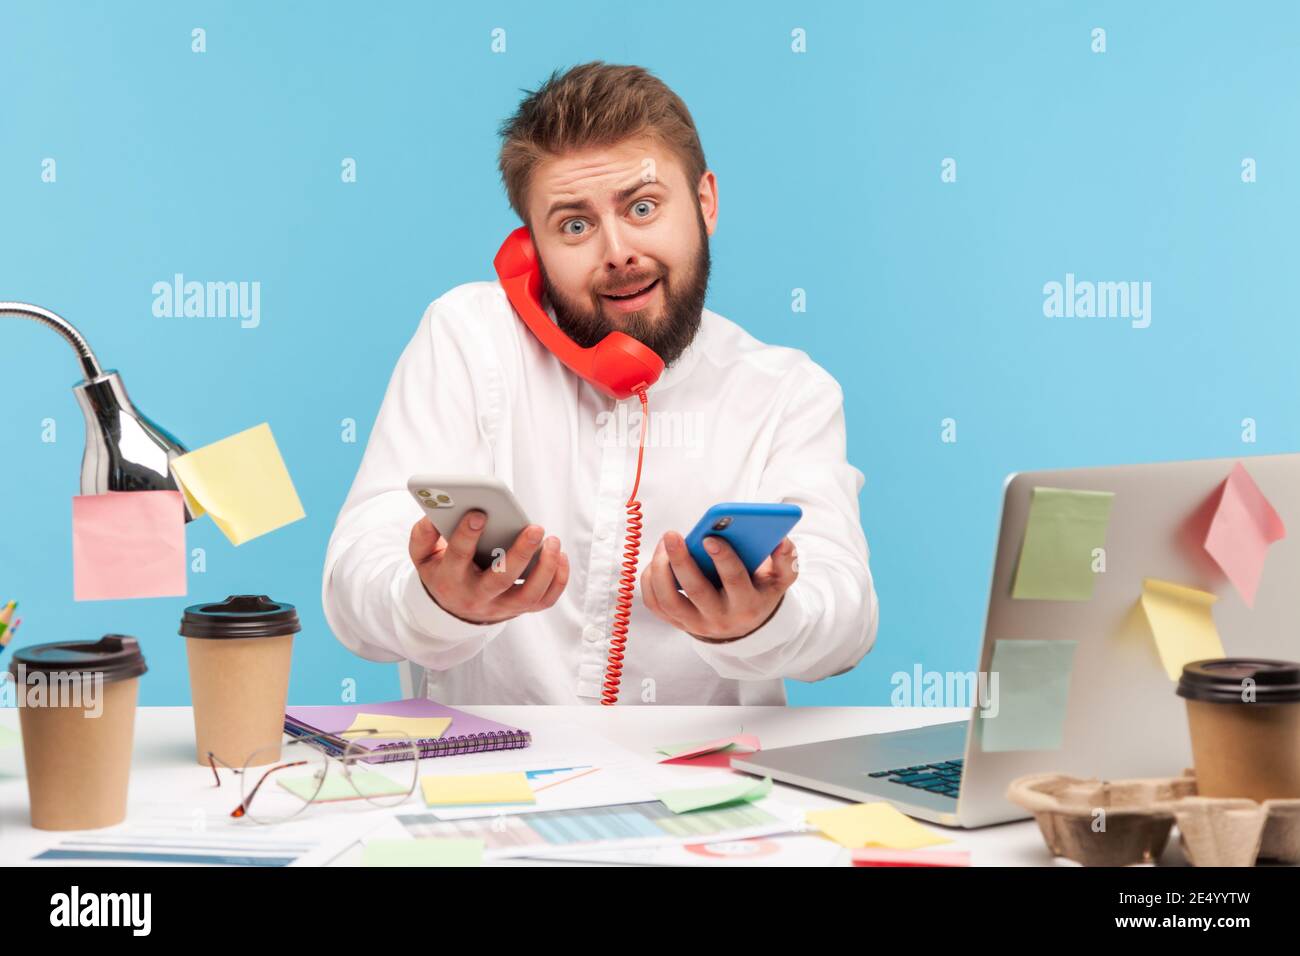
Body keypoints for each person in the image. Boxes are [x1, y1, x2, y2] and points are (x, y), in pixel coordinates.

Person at [322, 61, 878, 704]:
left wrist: (767, 620)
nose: (617, 251)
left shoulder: (788, 391)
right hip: (497, 785)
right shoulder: (467, 339)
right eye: (575, 225)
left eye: (642, 207)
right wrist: (435, 601)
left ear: (705, 204)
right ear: (531, 247)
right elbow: (352, 588)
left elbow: (849, 618)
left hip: (704, 789)